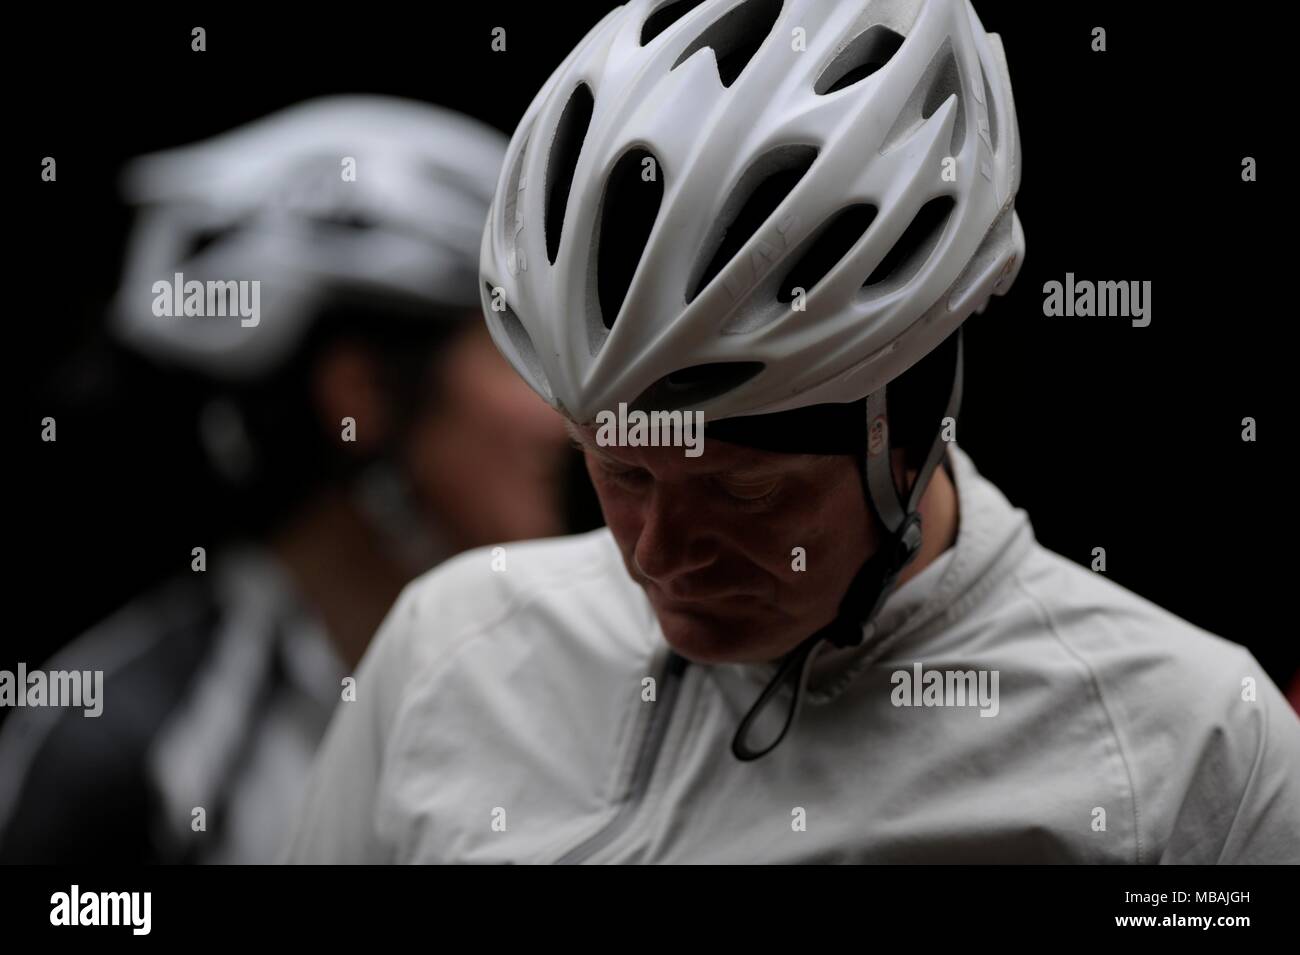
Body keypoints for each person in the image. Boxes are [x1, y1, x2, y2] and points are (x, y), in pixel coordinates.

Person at [284, 1, 1300, 863]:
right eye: (619, 471)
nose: (657, 554)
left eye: (742, 490)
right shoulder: (446, 651)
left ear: (908, 420)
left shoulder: (1191, 751)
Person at [0, 96, 569, 863]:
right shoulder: (139, 745)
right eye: (511, 354)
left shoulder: (597, 677)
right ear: (360, 393)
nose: (562, 420)